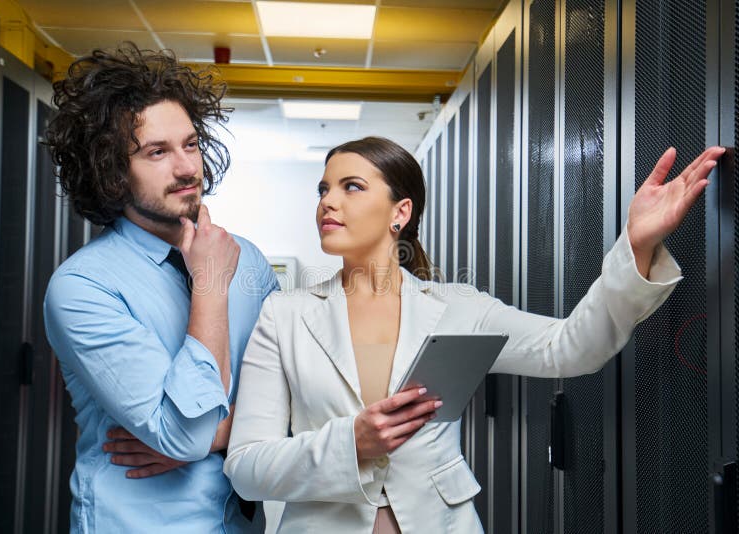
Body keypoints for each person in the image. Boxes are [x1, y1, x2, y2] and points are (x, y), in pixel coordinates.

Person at [223, 136, 725, 533]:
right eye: (323, 189)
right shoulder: (284, 316)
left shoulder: (457, 308)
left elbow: (571, 347)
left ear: (401, 212)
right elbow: (246, 466)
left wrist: (634, 245)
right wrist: (348, 444)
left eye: (350, 187)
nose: (328, 202)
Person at [43, 43, 277, 533]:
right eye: (157, 152)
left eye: (190, 144)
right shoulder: (83, 288)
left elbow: (295, 395)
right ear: (111, 171)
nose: (188, 168)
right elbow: (187, 433)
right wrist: (210, 286)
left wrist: (216, 435)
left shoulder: (248, 260)